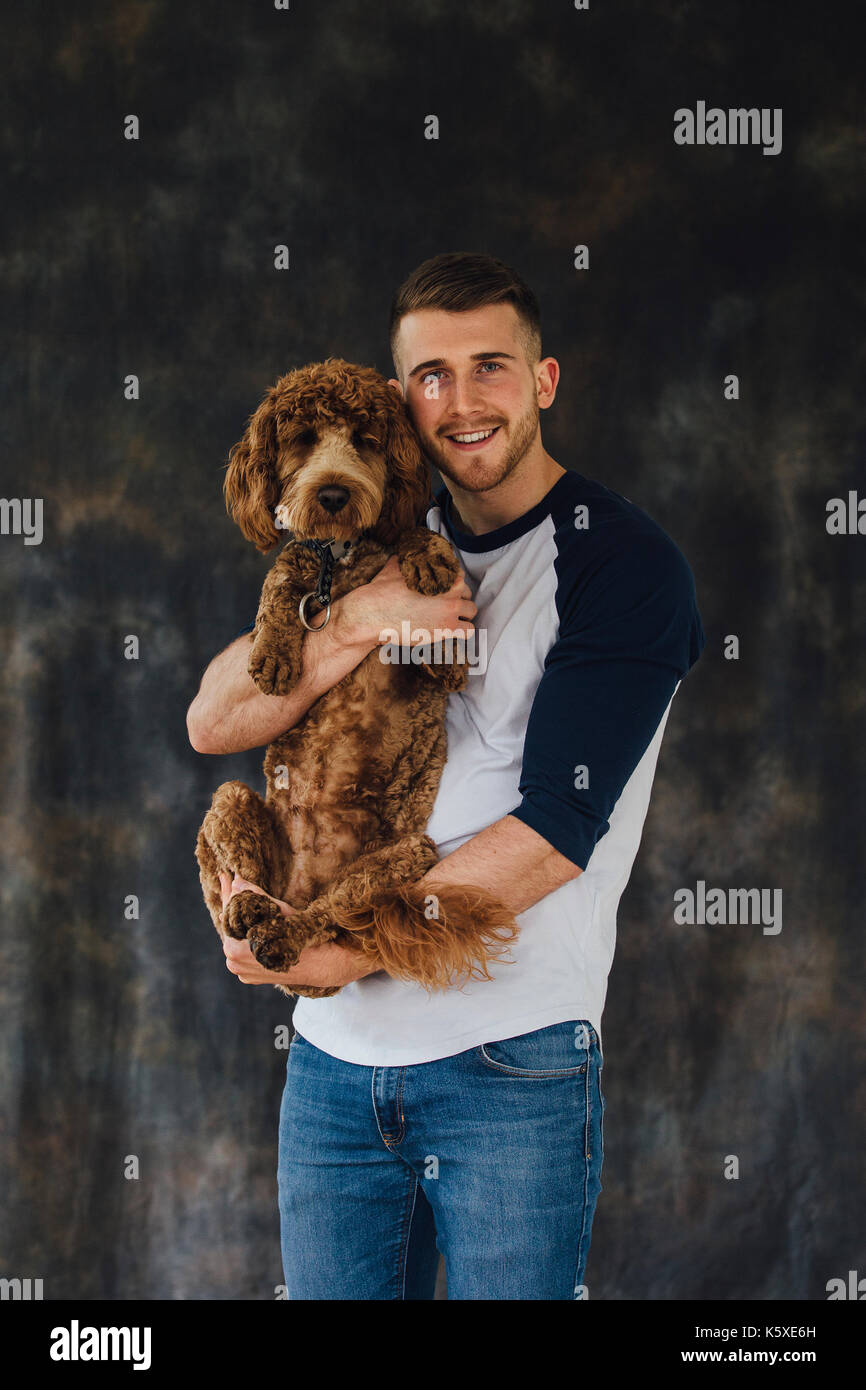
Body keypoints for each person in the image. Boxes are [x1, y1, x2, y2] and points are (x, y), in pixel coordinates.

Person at [186, 251, 705, 1300]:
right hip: (331, 1067)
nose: (459, 403)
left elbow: (556, 832)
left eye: (490, 368)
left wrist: (338, 946)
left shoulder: (618, 566)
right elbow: (215, 715)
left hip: (504, 1061)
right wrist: (366, 617)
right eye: (430, 376)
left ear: (544, 379)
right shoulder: (376, 538)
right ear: (398, 398)